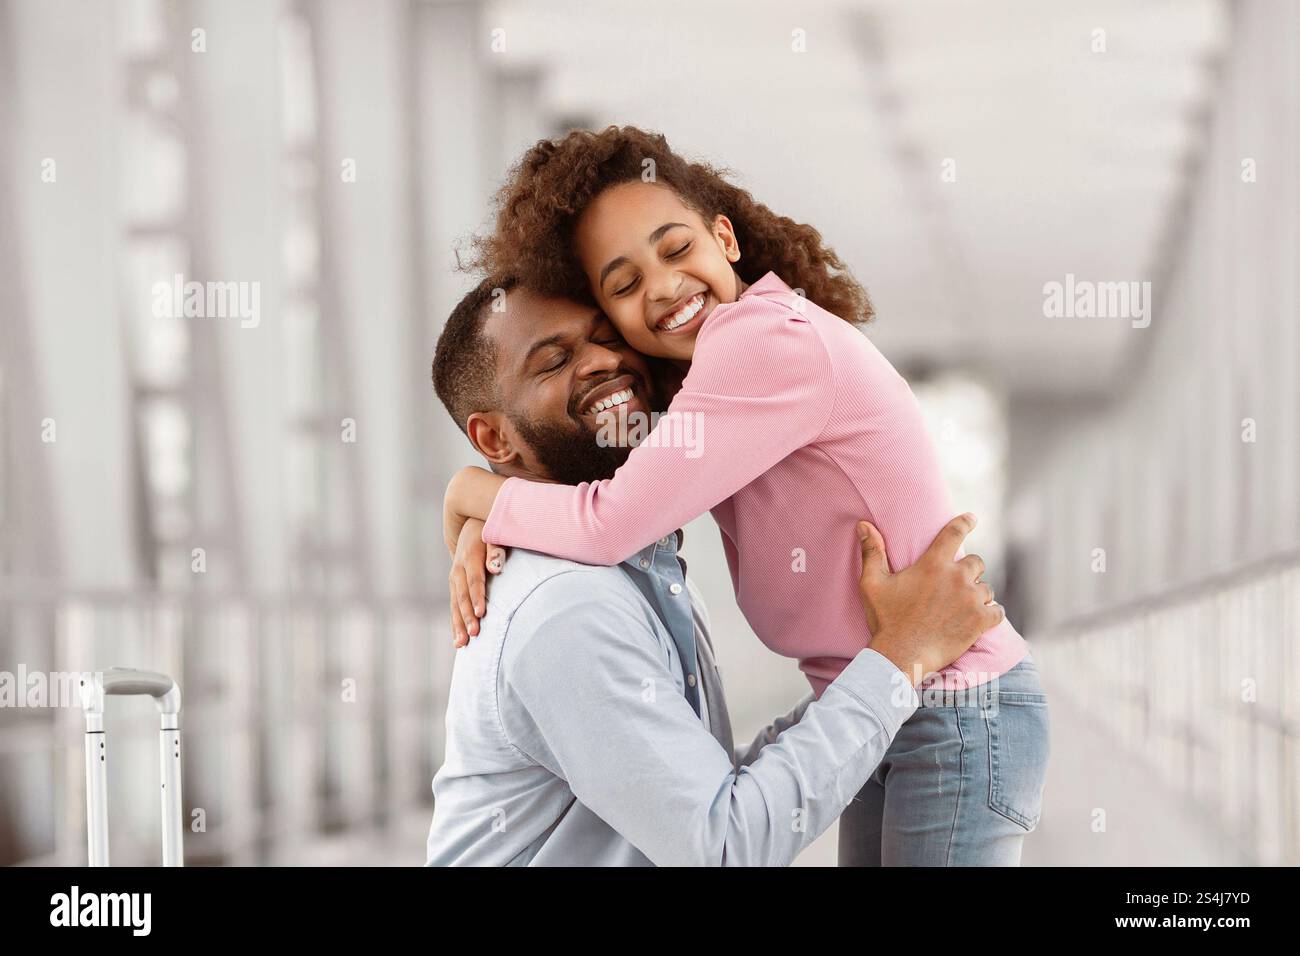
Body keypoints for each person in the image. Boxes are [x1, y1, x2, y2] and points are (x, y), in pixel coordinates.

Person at [441, 127, 1050, 865]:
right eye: (624, 284)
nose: (661, 288)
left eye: (674, 249)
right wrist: (495, 515)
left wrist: (477, 494)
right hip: (897, 693)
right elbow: (609, 476)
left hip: (953, 703)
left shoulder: (761, 346)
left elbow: (606, 518)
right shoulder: (712, 381)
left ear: (724, 237)